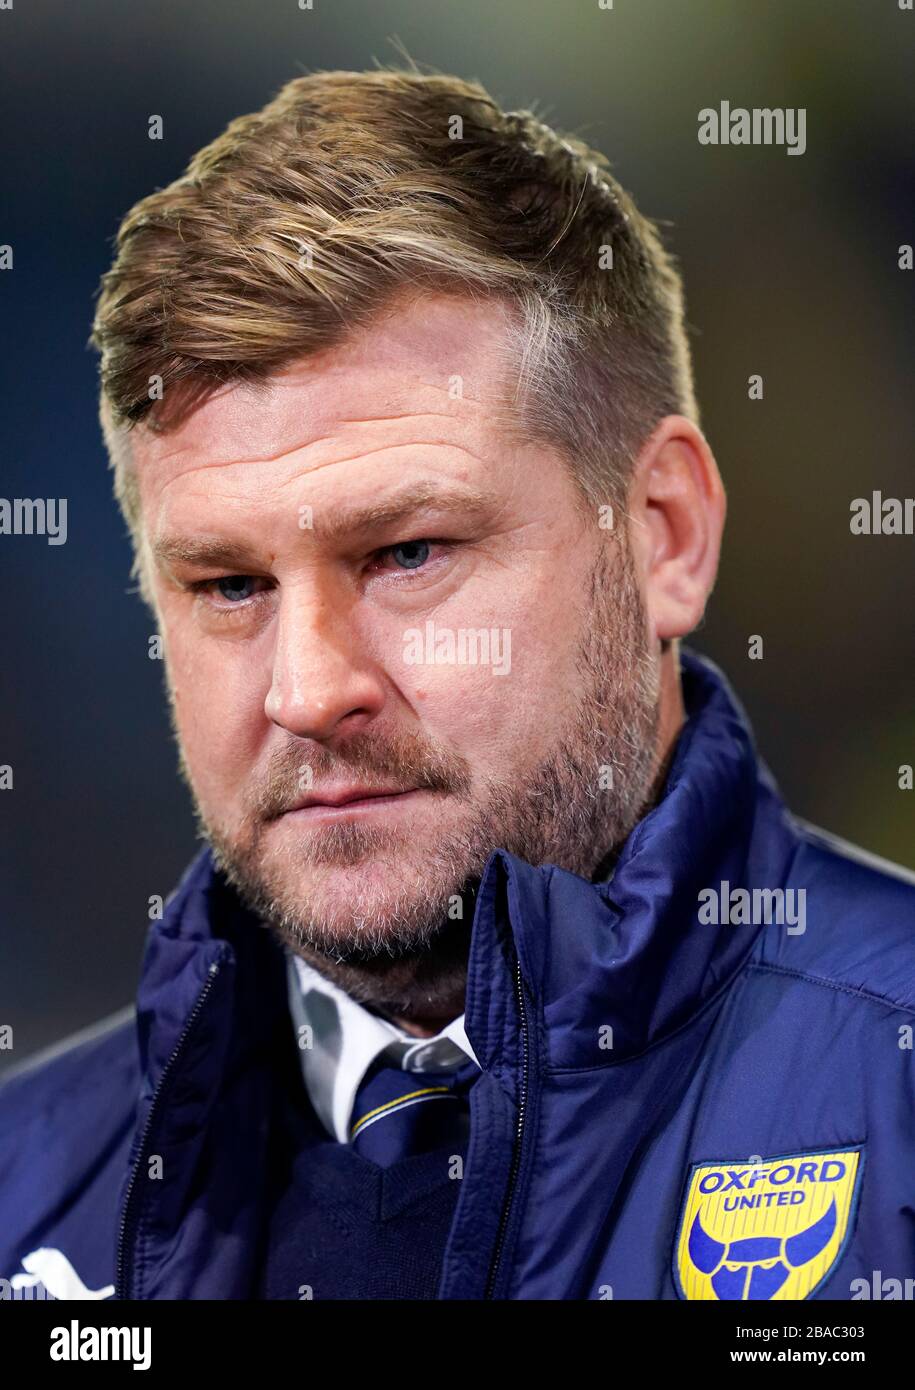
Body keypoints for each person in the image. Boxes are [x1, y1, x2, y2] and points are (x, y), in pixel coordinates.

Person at [1, 67, 912, 1303]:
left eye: (408, 553)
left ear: (665, 535)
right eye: (227, 585)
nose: (311, 691)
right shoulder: (22, 1198)